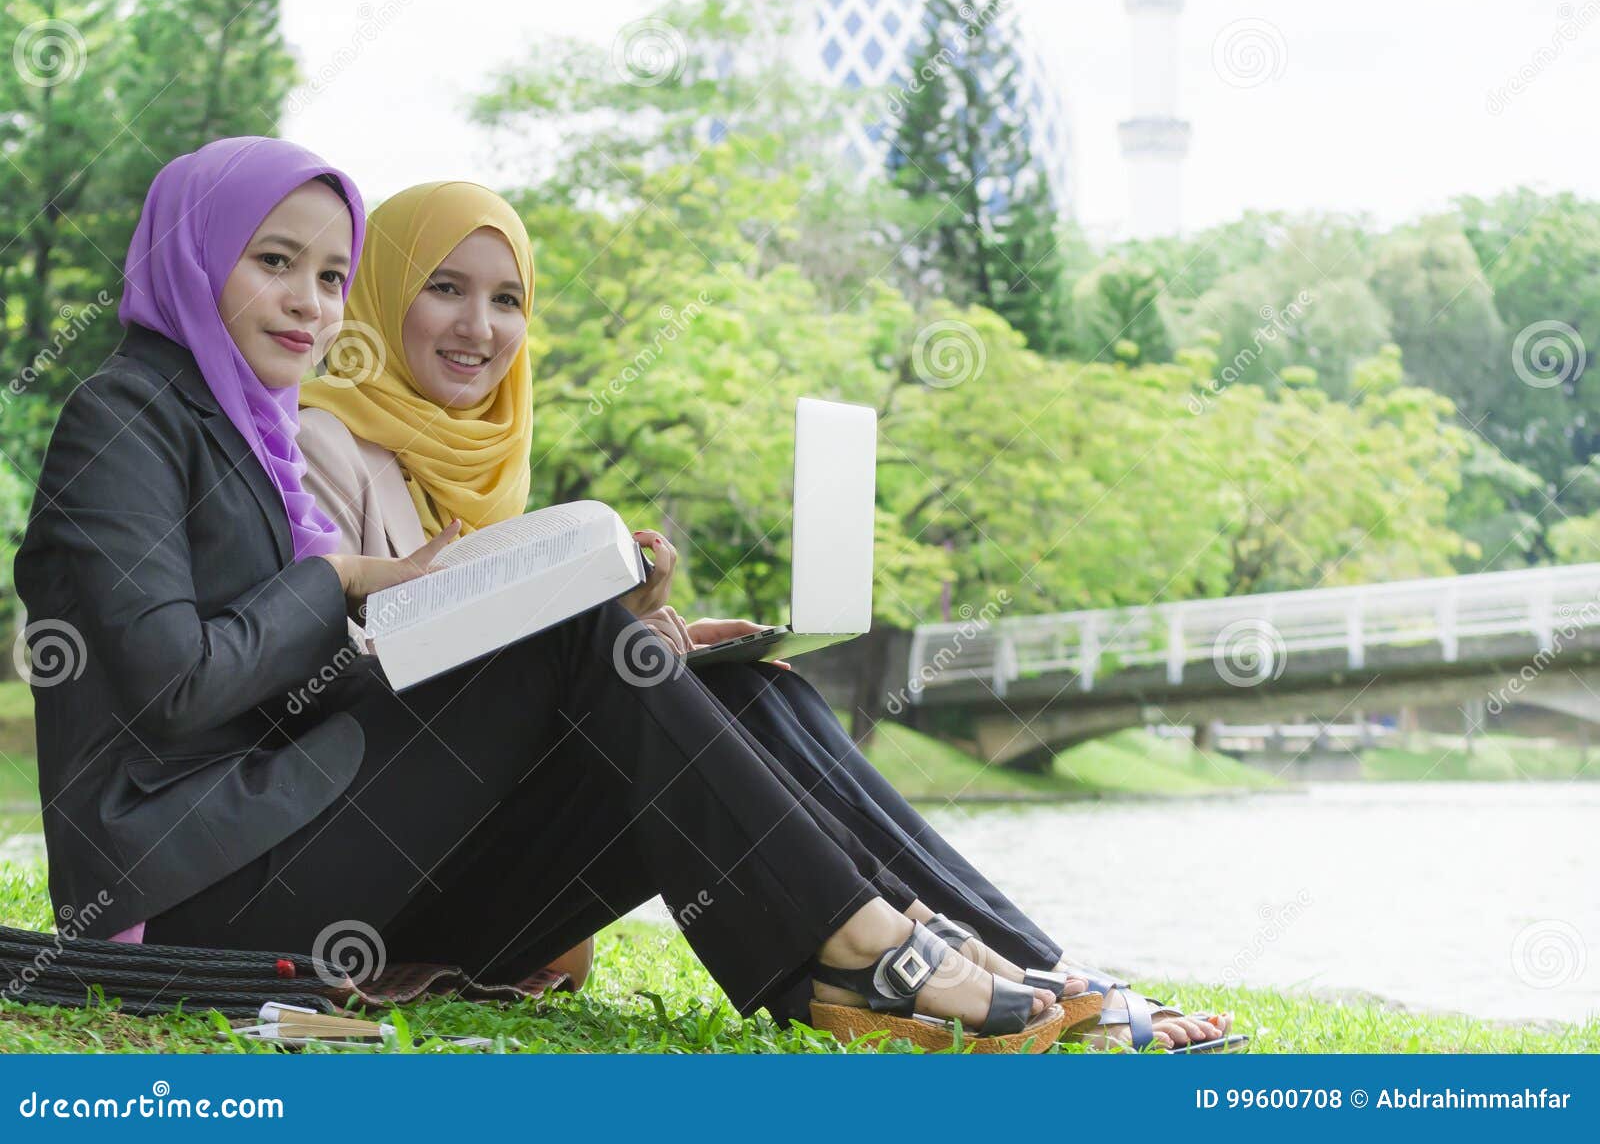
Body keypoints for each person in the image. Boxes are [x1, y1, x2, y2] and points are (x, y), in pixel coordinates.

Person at [14, 137, 1078, 1054]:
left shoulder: (250, 436)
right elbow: (176, 690)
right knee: (577, 640)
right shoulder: (125, 417)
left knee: (724, 687)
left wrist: (562, 630)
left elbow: (293, 692)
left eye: (334, 276)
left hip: (296, 852)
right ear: (193, 256)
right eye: (275, 262)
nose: (311, 302)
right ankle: (875, 955)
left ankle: (870, 969)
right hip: (188, 895)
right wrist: (338, 580)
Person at [295, 180, 1242, 1052]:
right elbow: (322, 686)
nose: (480, 326)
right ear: (382, 298)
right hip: (393, 878)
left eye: (508, 300)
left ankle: (1033, 969)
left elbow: (517, 701)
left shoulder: (494, 470)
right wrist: (569, 637)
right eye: (445, 289)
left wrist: (639, 639)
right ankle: (868, 954)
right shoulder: (318, 443)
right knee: (641, 662)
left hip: (491, 842)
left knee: (751, 688)